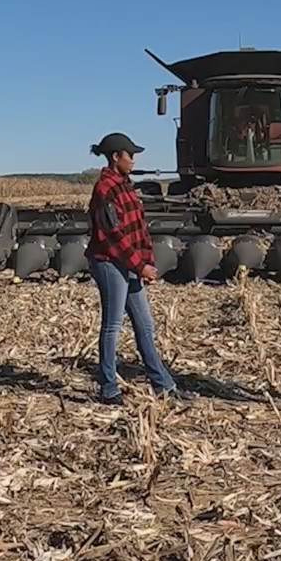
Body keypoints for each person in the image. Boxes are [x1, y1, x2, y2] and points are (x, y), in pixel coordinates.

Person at [84, 132, 196, 406]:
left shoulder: (124, 185)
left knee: (145, 324)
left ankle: (163, 384)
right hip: (109, 263)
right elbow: (114, 235)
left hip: (129, 263)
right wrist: (139, 265)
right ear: (115, 157)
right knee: (112, 325)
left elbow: (139, 230)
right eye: (129, 155)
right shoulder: (105, 189)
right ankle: (108, 389)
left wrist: (148, 263)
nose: (133, 160)